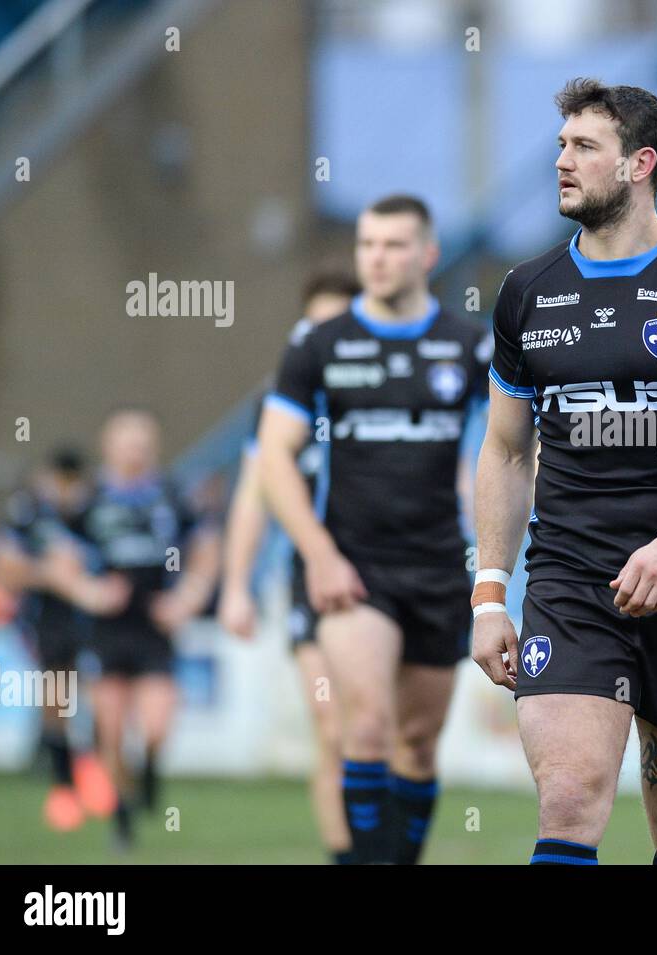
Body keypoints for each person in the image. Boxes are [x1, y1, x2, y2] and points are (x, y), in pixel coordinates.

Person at [471, 78, 657, 866]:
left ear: (641, 163)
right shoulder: (526, 293)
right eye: (560, 145)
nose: (561, 162)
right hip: (572, 581)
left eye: (583, 147)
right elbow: (507, 450)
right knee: (570, 799)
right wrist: (488, 591)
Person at [256, 196, 490, 864]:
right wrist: (320, 555)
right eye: (367, 245)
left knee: (416, 742)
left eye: (392, 245)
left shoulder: (468, 345)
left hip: (440, 566)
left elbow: (507, 447)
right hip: (354, 568)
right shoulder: (319, 344)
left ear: (427, 254)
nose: (377, 258)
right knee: (366, 725)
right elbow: (273, 456)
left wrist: (489, 532)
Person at [217, 270, 358, 863]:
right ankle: (346, 855)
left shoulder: (389, 385)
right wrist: (235, 587)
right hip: (311, 580)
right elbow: (254, 495)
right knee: (331, 726)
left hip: (391, 573)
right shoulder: (280, 402)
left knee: (382, 733)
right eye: (315, 325)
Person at [48, 408, 220, 850]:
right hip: (106, 630)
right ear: (110, 446)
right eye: (127, 442)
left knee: (157, 725)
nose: (135, 451)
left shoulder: (171, 494)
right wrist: (88, 590)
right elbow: (61, 560)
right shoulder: (88, 501)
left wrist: (188, 598)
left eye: (142, 442)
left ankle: (149, 772)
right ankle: (122, 819)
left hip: (154, 625)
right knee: (111, 728)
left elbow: (205, 549)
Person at [0, 448, 117, 831]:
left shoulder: (98, 513)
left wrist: (86, 583)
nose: (63, 491)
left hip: (97, 623)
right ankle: (63, 787)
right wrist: (53, 574)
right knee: (56, 701)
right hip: (48, 622)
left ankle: (94, 770)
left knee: (98, 699)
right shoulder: (27, 514)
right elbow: (6, 569)